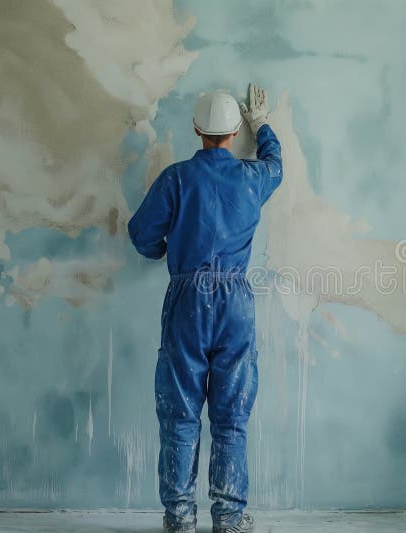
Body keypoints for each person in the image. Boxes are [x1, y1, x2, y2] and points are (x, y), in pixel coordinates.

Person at [128, 83, 282, 533]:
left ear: (196, 129)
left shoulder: (176, 178)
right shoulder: (254, 177)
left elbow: (141, 235)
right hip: (236, 301)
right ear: (235, 132)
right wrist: (263, 125)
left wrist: (162, 251)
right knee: (231, 416)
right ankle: (229, 519)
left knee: (180, 413)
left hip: (187, 301)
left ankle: (179, 519)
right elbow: (277, 164)